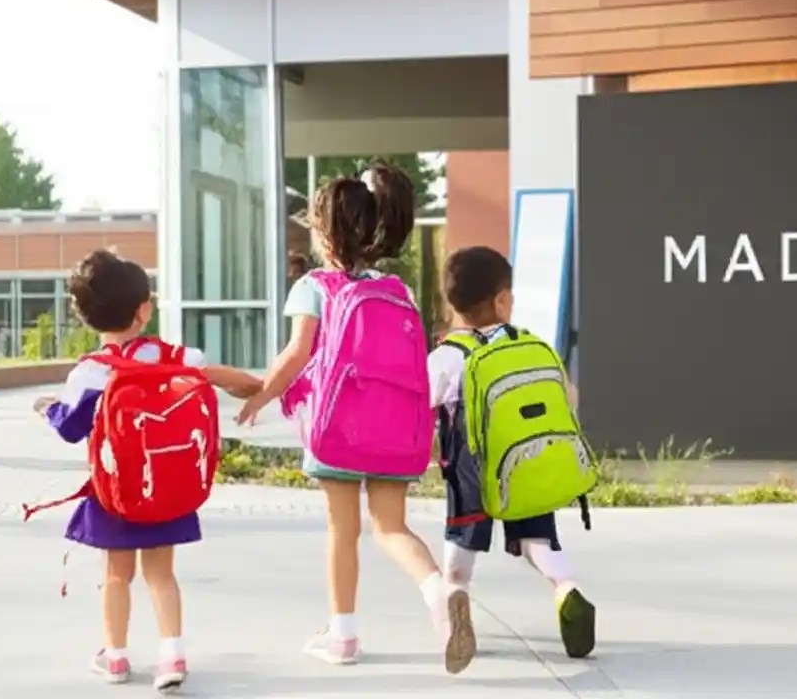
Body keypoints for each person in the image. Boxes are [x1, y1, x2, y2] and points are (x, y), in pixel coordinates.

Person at [235, 166, 477, 673]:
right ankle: (439, 595)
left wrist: (260, 394)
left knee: (341, 531)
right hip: (393, 431)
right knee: (392, 528)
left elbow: (297, 353)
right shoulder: (397, 290)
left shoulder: (315, 285)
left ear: (324, 232)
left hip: (338, 431)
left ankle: (342, 634)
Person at [41, 249, 260, 692]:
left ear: (87, 316)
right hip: (166, 488)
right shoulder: (178, 356)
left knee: (116, 575)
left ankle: (116, 657)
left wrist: (47, 410)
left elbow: (69, 428)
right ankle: (172, 655)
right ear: (145, 310)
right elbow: (238, 380)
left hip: (115, 492)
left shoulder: (89, 372)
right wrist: (251, 387)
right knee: (162, 575)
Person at [429, 246, 597, 660]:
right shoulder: (531, 344)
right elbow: (569, 400)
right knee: (535, 537)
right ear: (503, 301)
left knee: (463, 542)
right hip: (526, 464)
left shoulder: (448, 355)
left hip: (470, 468)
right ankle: (566, 588)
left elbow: (422, 411)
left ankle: (456, 599)